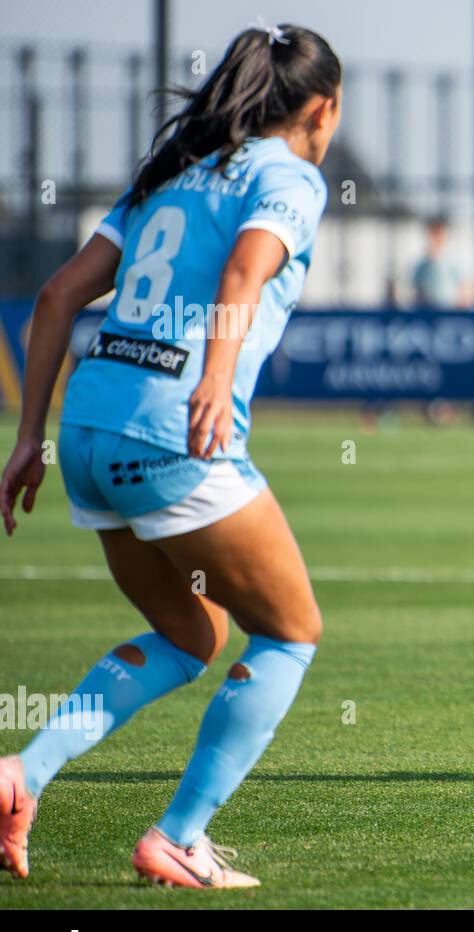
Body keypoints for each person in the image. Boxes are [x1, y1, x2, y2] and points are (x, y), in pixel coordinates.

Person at [0, 23, 342, 887]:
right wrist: (215, 380)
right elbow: (242, 274)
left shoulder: (169, 176)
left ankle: (18, 776)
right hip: (170, 432)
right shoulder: (291, 176)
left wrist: (28, 437)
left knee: (189, 632)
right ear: (321, 110)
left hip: (88, 429)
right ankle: (179, 836)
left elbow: (55, 297)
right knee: (291, 633)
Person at [412, 214, 469, 308]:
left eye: (438, 234)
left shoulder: (454, 261)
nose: (435, 239)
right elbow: (418, 291)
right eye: (433, 233)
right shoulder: (421, 265)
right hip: (429, 312)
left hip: (450, 312)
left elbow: (464, 290)